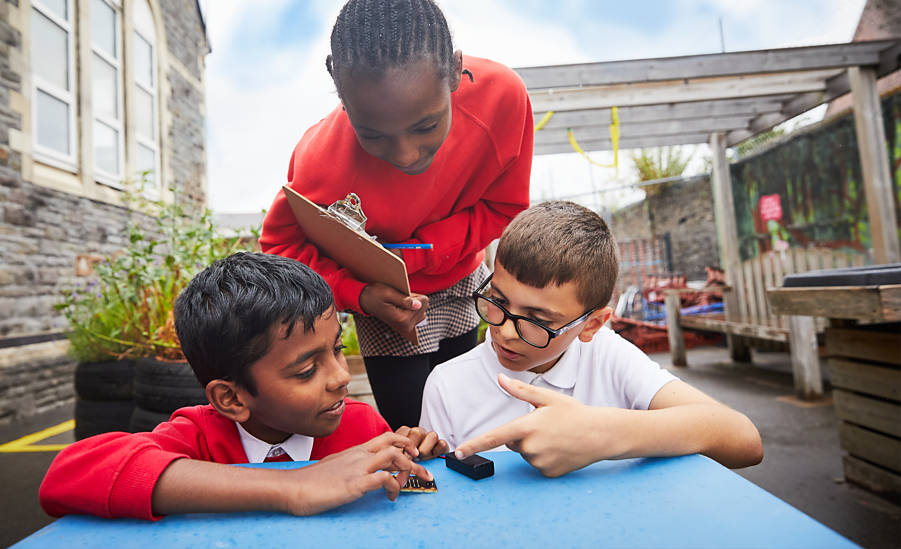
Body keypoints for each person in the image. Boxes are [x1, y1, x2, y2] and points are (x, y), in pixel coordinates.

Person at [259, 0, 533, 431]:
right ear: (340, 92)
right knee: (411, 430)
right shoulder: (318, 162)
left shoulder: (502, 98)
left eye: (426, 126)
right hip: (382, 305)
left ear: (455, 72)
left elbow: (506, 206)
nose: (405, 156)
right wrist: (360, 294)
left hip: (463, 281)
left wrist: (417, 255)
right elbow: (280, 247)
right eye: (372, 135)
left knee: (472, 419)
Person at [39, 253, 448, 520]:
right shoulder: (199, 438)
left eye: (337, 350)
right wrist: (295, 484)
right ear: (231, 398)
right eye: (307, 370)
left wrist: (415, 463)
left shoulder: (363, 427)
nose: (341, 377)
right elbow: (67, 476)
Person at [420, 202, 764, 478]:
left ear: (592, 324)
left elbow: (744, 440)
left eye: (538, 320)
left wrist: (603, 433)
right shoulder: (447, 385)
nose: (506, 331)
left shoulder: (607, 356)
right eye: (497, 301)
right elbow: (434, 487)